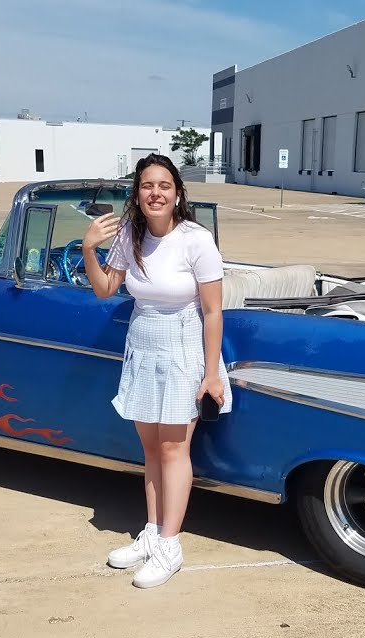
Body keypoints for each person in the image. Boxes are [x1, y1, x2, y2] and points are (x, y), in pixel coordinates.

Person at [79, 153, 231, 589]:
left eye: (164, 185)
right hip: (143, 343)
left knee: (173, 451)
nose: (156, 193)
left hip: (184, 346)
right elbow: (105, 288)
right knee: (149, 449)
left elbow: (213, 310)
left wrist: (211, 374)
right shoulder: (131, 235)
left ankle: (170, 544)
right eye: (147, 186)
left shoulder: (196, 240)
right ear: (138, 194)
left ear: (178, 192)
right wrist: (90, 246)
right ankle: (151, 532)